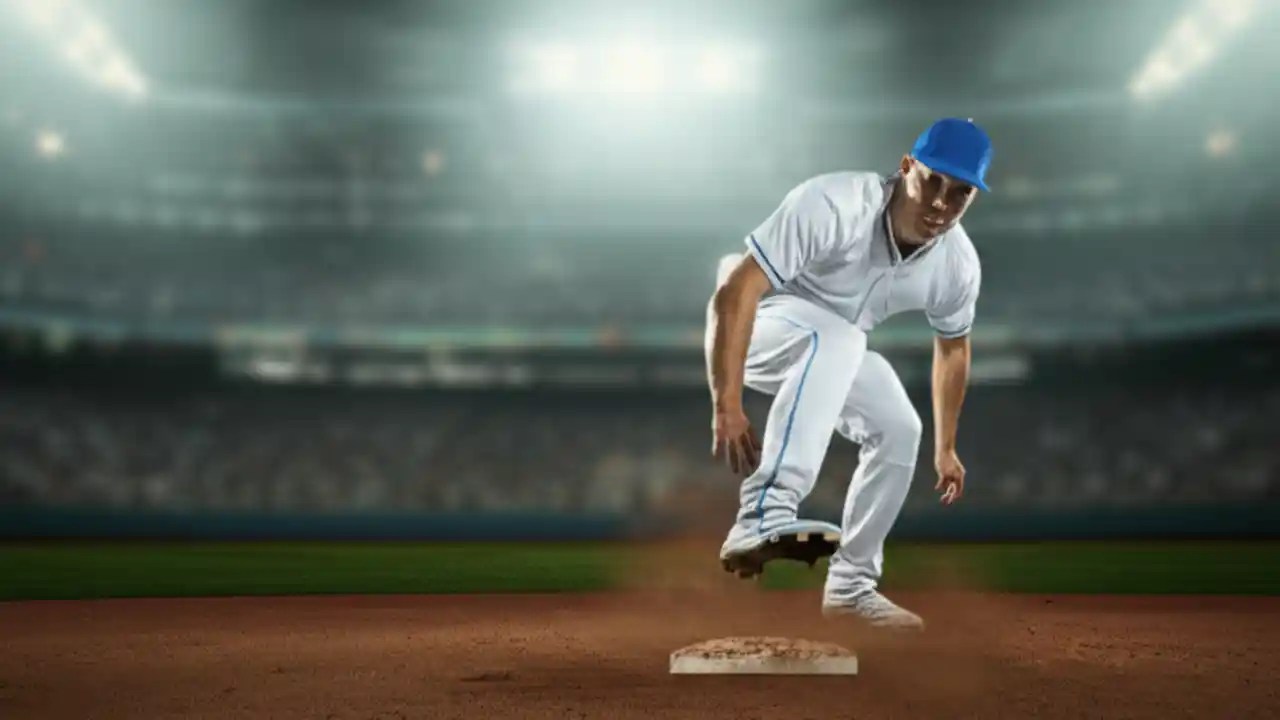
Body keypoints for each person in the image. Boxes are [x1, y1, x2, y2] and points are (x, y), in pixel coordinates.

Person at [705, 118, 992, 630]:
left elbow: (953, 349)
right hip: (755, 325)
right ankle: (762, 510)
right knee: (838, 336)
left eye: (961, 193)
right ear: (907, 167)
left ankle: (851, 586)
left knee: (900, 427)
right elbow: (737, 292)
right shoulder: (836, 204)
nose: (941, 203)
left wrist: (946, 447)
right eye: (933, 181)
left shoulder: (958, 264)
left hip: (830, 349)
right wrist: (726, 402)